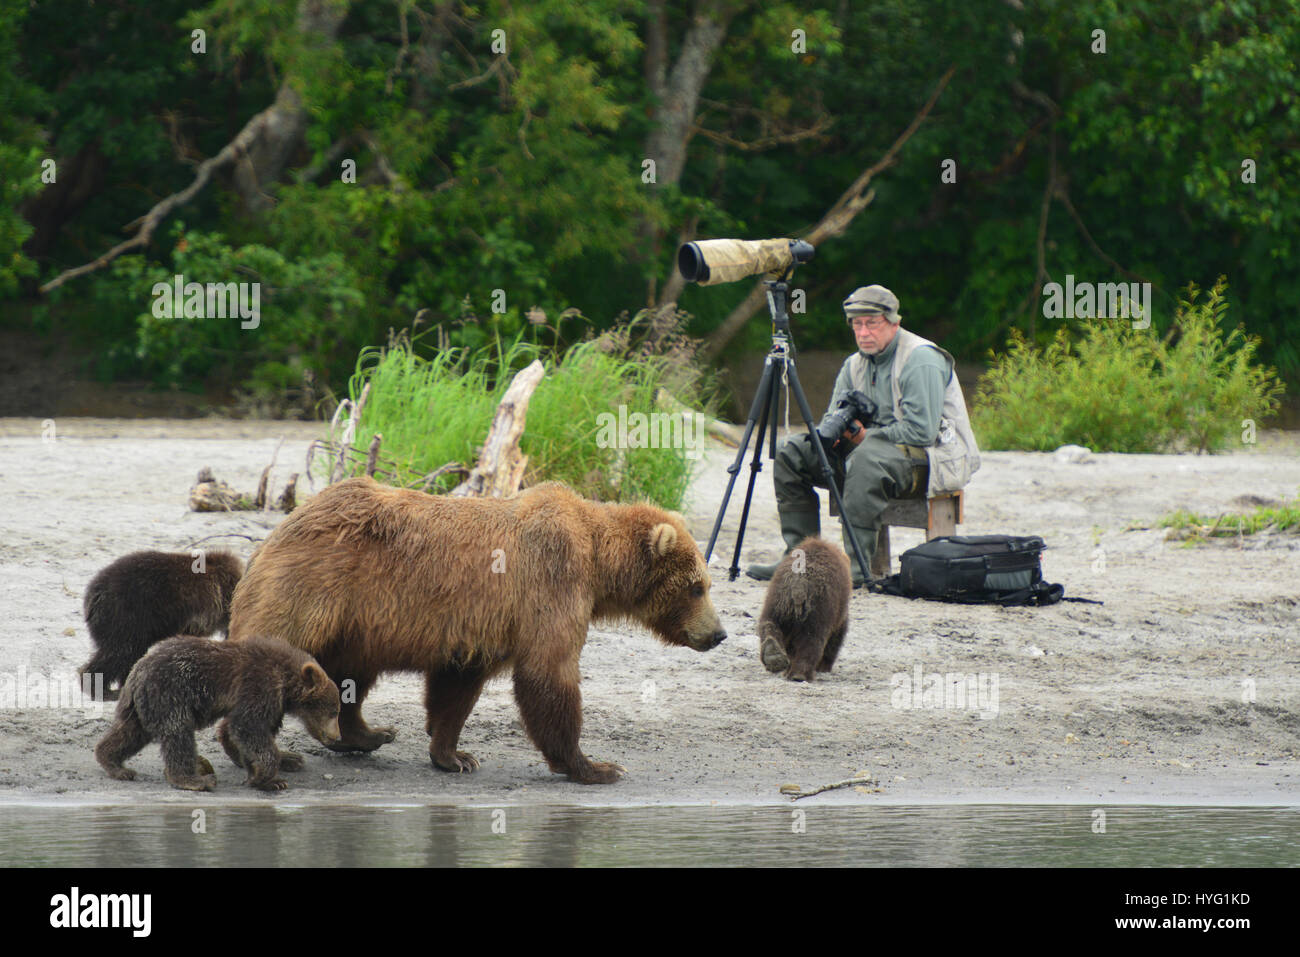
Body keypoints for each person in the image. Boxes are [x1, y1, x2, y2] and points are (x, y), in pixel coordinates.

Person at [746, 284, 981, 586]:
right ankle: (799, 559)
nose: (864, 332)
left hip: (932, 460)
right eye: (857, 324)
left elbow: (922, 431)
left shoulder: (920, 359)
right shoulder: (853, 364)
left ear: (894, 323)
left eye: (872, 323)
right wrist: (833, 435)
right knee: (792, 451)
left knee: (867, 457)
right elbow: (833, 420)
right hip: (876, 458)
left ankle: (855, 568)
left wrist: (864, 436)